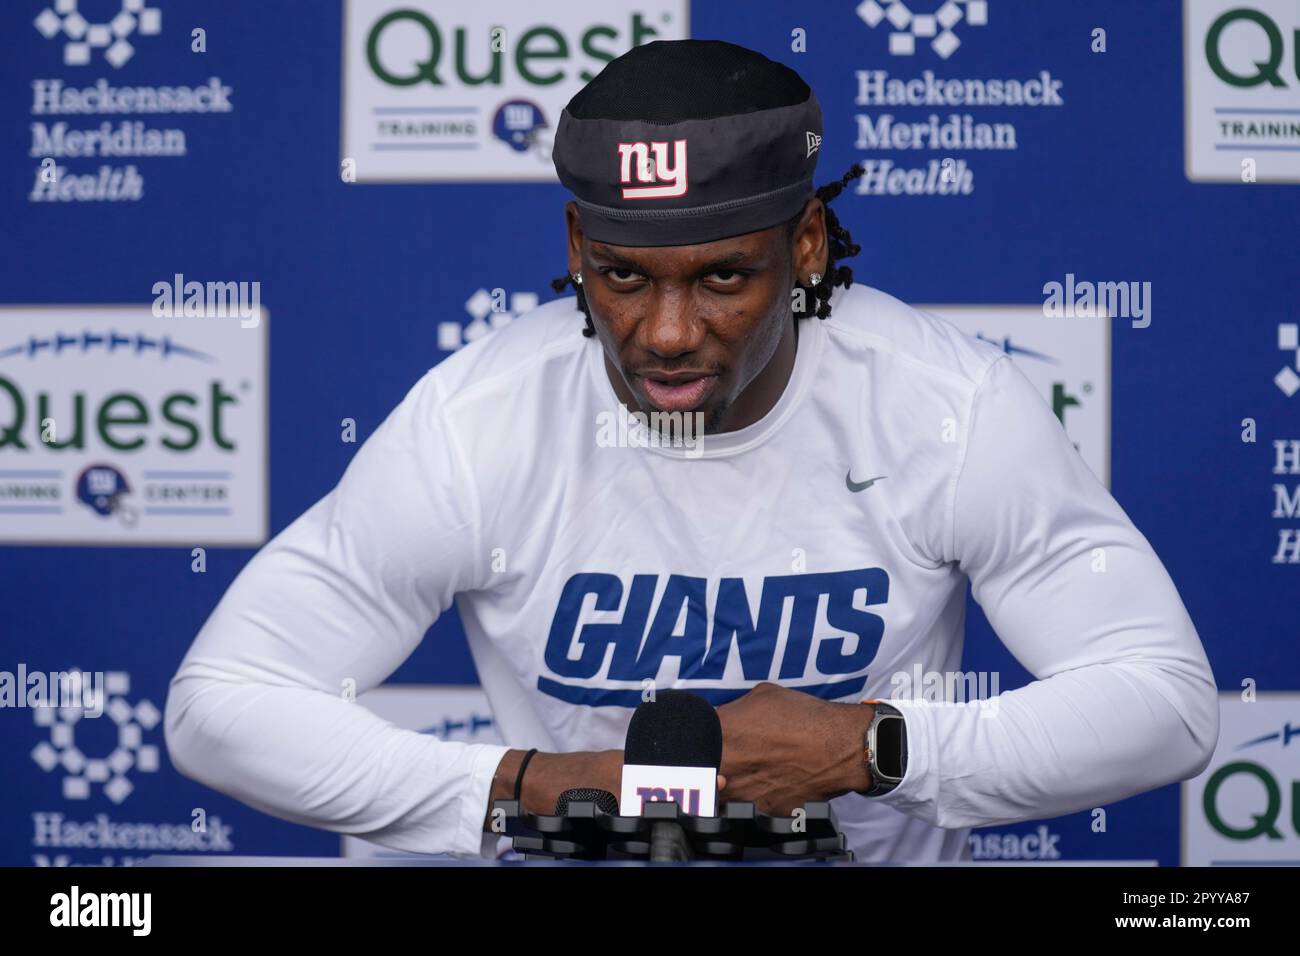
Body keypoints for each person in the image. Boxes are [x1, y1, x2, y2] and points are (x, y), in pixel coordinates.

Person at [164, 39, 1218, 862]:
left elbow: (1162, 701)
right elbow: (219, 704)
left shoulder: (944, 407)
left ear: (804, 245)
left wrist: (872, 747)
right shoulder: (478, 420)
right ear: (577, 249)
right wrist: (523, 781)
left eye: (722, 277)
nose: (665, 333)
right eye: (624, 276)